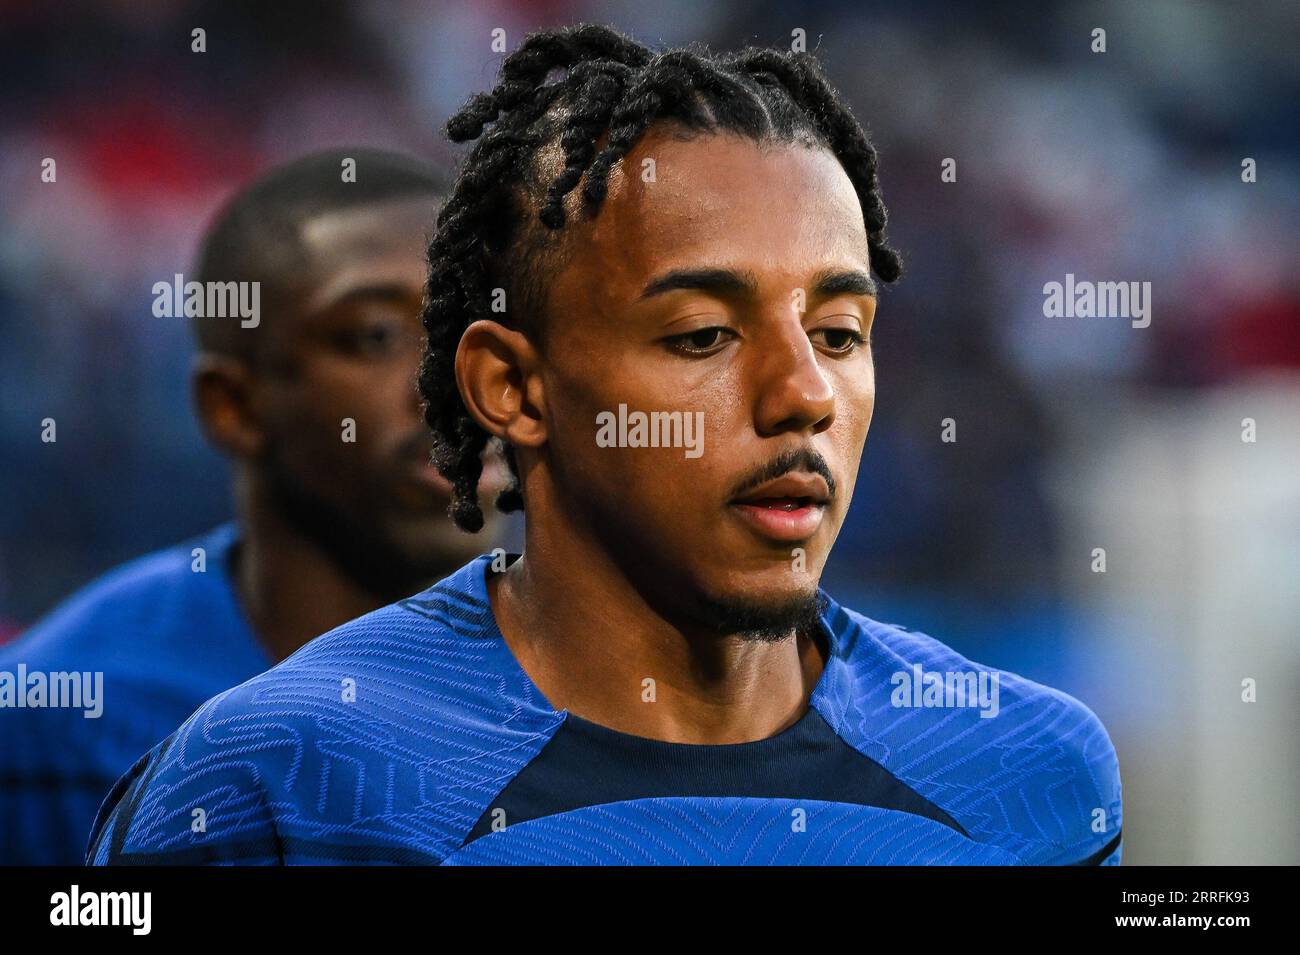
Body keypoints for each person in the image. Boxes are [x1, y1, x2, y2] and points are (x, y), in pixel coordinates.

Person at [88, 27, 1121, 866]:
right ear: (512, 387)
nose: (803, 394)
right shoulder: (275, 782)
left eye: (839, 333)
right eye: (701, 337)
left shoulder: (1029, 772)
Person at [0, 148, 504, 864]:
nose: (454, 386)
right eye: (376, 336)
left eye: (479, 327)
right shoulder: (55, 727)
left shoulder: (640, 691)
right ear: (233, 406)